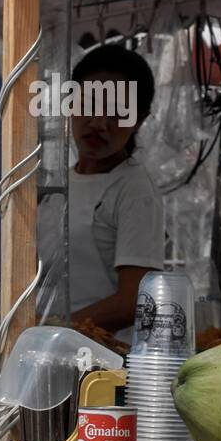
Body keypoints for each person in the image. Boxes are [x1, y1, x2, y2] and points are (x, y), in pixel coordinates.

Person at [56, 44, 165, 340]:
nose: (99, 123)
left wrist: (53, 331)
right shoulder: (56, 184)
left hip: (104, 363)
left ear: (139, 120)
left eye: (117, 111)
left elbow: (133, 301)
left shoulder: (134, 190)